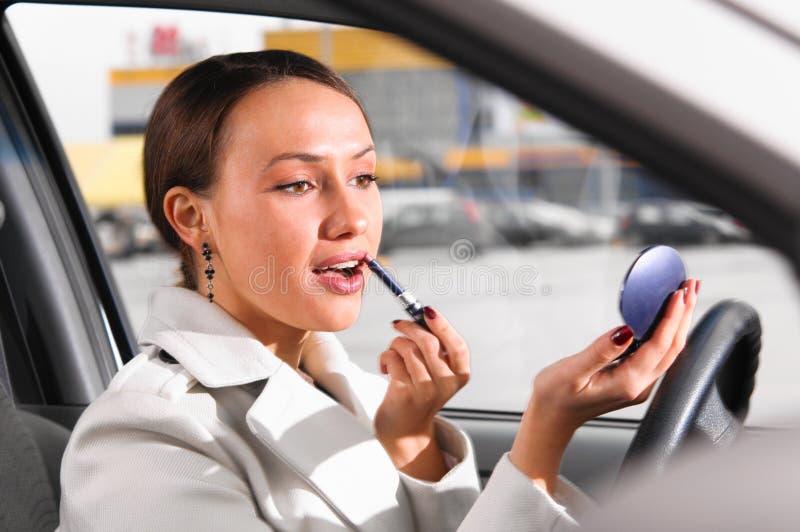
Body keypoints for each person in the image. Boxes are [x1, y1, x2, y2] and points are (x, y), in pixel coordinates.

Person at [57, 50, 699, 531]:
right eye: (298, 185)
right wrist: (542, 438)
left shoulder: (365, 394)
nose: (353, 218)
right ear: (193, 218)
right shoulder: (145, 439)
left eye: (364, 176)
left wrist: (412, 443)